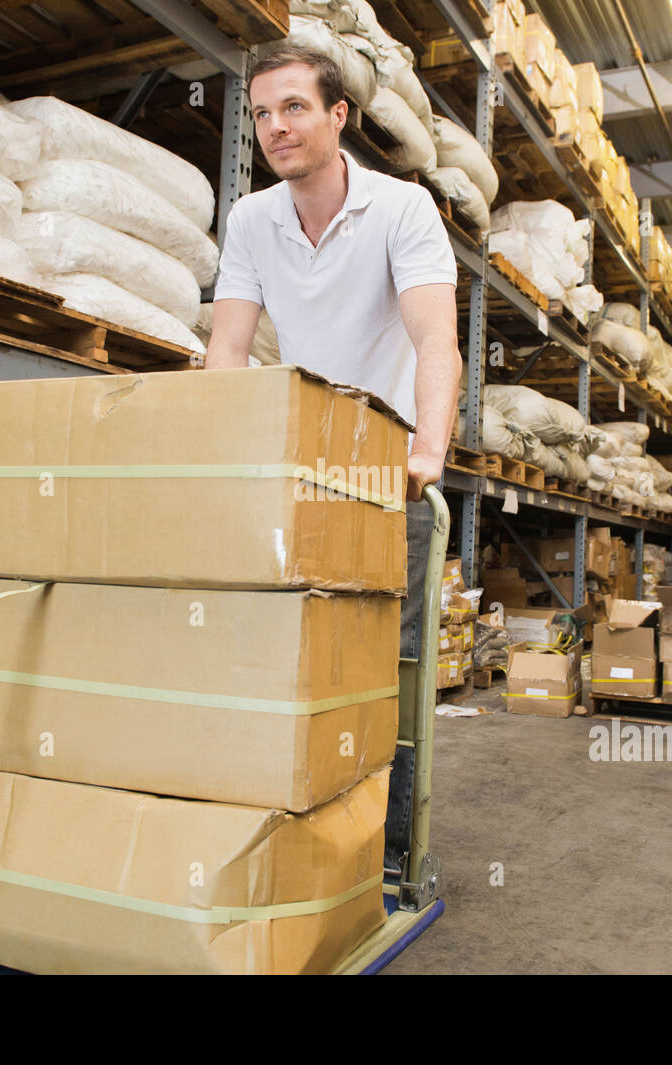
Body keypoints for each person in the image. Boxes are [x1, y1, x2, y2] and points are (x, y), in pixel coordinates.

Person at [204, 44, 461, 656]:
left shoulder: (402, 207)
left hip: (389, 470)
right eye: (262, 113)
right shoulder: (249, 219)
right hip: (298, 466)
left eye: (294, 107)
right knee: (293, 654)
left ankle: (390, 757)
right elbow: (227, 347)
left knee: (387, 662)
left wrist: (427, 453)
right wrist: (219, 452)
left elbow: (437, 341)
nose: (276, 127)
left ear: (339, 114)